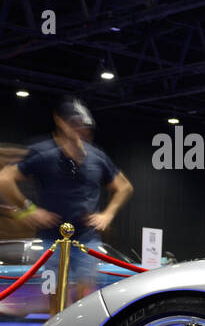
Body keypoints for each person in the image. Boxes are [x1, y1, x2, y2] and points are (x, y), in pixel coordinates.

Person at [0, 98, 133, 310]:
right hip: (51, 240)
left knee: (85, 297)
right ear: (60, 122)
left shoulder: (96, 156)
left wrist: (107, 214)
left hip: (87, 240)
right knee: (55, 297)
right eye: (74, 124)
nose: (80, 130)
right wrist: (28, 210)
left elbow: (124, 186)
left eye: (84, 126)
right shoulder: (43, 152)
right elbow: (5, 178)